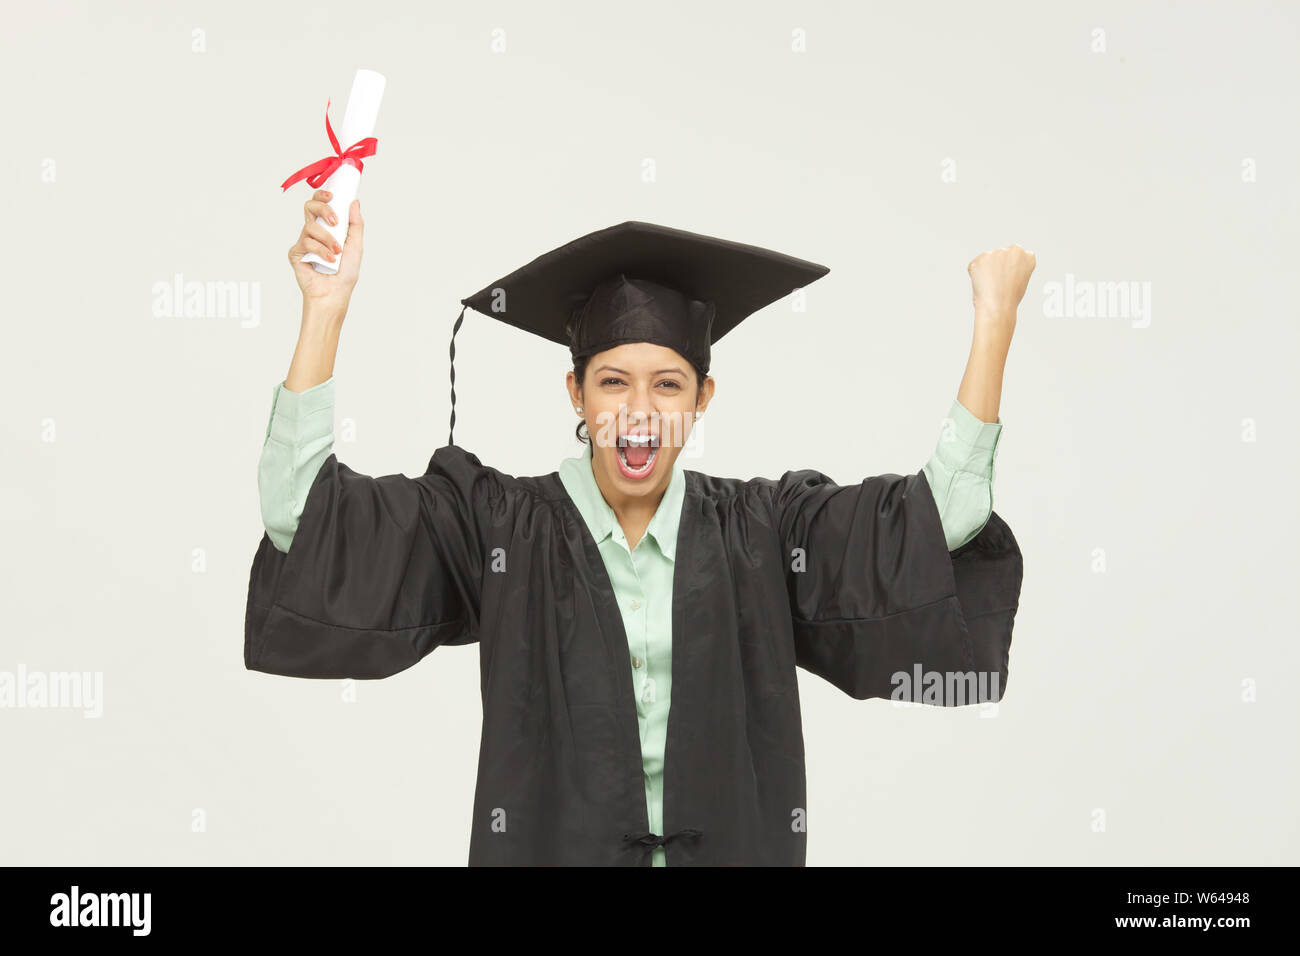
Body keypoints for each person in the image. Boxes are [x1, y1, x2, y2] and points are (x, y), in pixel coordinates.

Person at [245, 191, 1031, 866]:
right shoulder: (498, 528)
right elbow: (304, 519)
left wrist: (993, 321)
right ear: (576, 393)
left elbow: (937, 522)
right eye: (613, 382)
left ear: (703, 398)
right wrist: (325, 310)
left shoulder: (766, 532)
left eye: (669, 385)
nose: (640, 413)